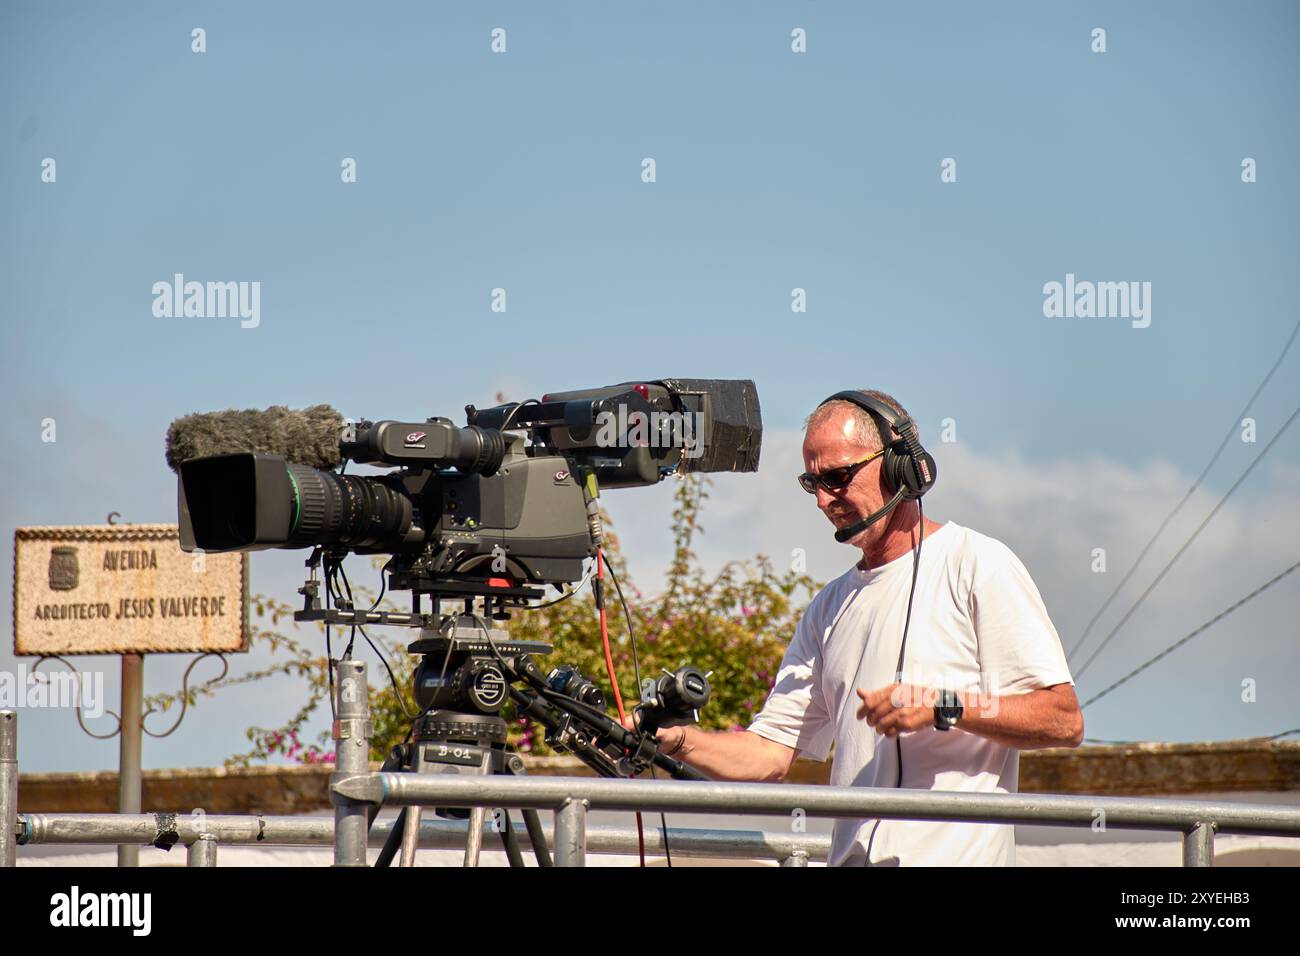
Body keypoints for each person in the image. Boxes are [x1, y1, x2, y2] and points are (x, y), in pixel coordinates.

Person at [626, 389, 1083, 865]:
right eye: (812, 483)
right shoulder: (828, 607)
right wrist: (670, 738)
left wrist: (946, 705)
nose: (824, 499)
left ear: (900, 465)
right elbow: (767, 754)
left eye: (838, 477)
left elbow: (1062, 719)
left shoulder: (977, 564)